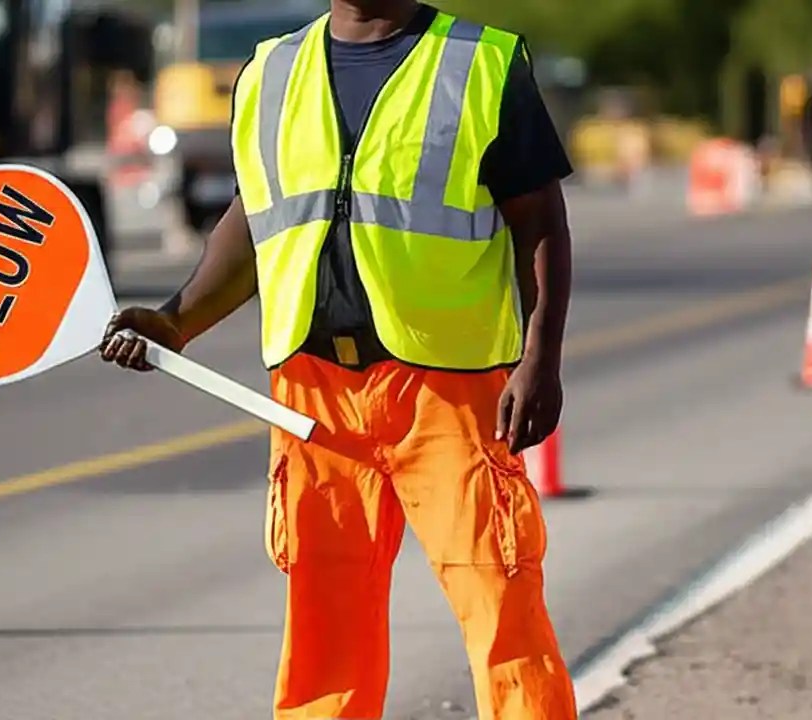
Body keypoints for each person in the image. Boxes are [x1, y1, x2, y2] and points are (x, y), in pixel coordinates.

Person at [100, 1, 577, 717]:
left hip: (446, 386)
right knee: (325, 629)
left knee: (499, 601)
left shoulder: (482, 63)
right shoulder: (269, 71)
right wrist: (177, 319)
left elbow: (539, 222)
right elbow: (255, 215)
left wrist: (540, 358)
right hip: (310, 391)